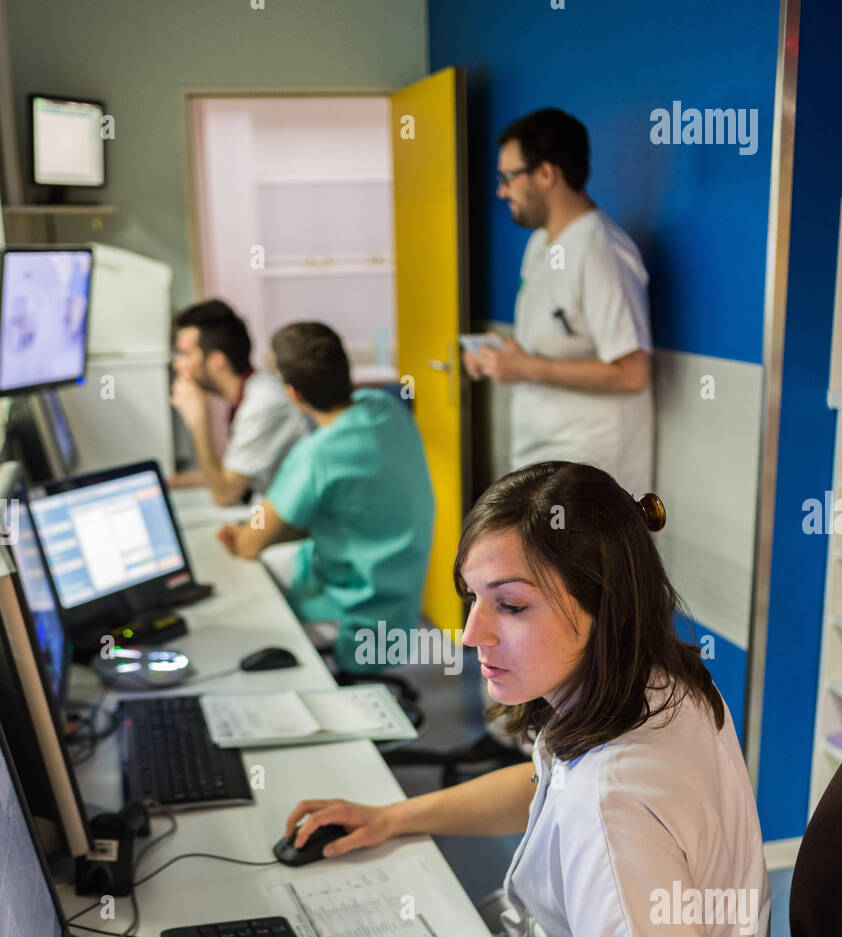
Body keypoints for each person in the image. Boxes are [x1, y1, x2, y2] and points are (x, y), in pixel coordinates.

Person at [283, 462, 770, 937]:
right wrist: (391, 817)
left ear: (606, 602)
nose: (471, 635)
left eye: (511, 606)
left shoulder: (616, 805)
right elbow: (547, 782)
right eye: (473, 598)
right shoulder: (657, 678)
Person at [216, 321, 435, 674]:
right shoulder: (386, 407)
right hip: (400, 595)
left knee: (244, 607)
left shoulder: (317, 455)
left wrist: (244, 533)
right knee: (275, 564)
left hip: (357, 611)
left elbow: (249, 545)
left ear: (292, 394)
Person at [464, 109, 653, 497]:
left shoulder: (602, 251)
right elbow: (551, 339)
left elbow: (632, 373)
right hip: (540, 460)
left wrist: (526, 367)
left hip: (590, 473)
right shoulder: (539, 245)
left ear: (547, 174)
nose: (501, 191)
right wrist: (498, 356)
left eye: (507, 177)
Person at [169, 299, 309, 504]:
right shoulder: (252, 391)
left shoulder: (263, 404)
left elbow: (224, 494)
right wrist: (169, 482)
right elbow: (229, 471)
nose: (177, 365)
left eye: (184, 354)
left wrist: (198, 421)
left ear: (217, 360)